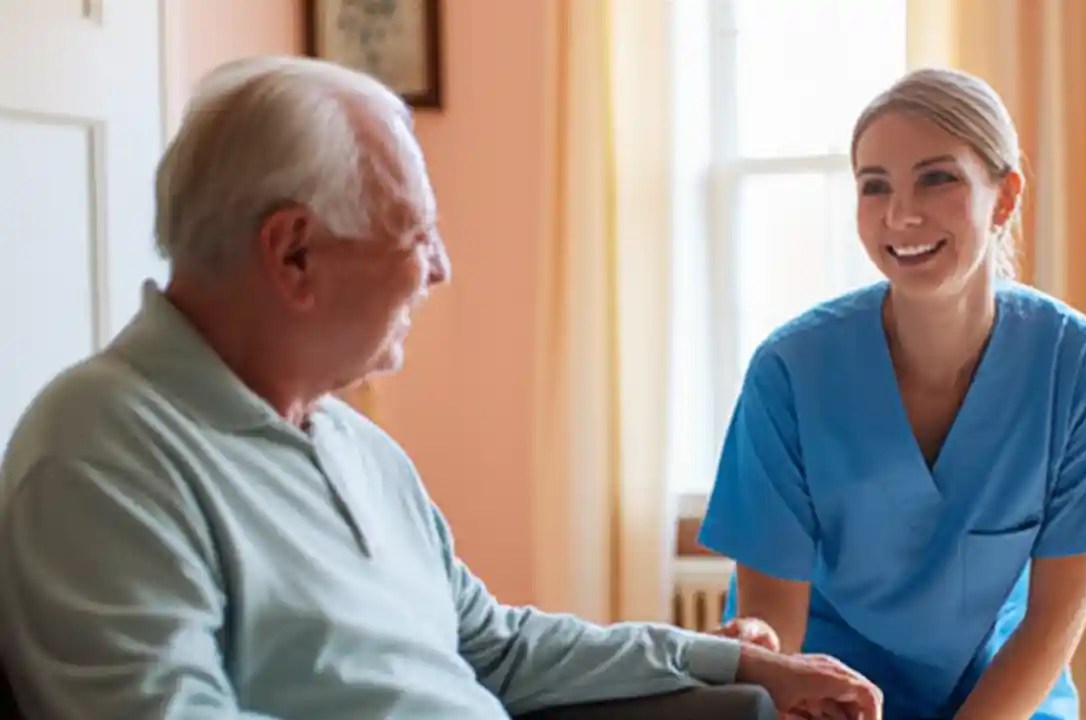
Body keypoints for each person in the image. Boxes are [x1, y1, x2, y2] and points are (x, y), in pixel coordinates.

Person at [0, 56, 883, 720]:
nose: (440, 270)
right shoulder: (102, 449)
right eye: (414, 234)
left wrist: (729, 662)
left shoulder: (353, 445)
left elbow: (492, 645)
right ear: (295, 253)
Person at [698, 67, 1086, 720]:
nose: (901, 214)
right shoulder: (791, 372)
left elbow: (1054, 618)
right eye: (873, 187)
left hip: (1002, 700)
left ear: (1004, 197)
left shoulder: (1077, 370)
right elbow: (776, 628)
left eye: (937, 179)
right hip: (827, 701)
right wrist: (761, 655)